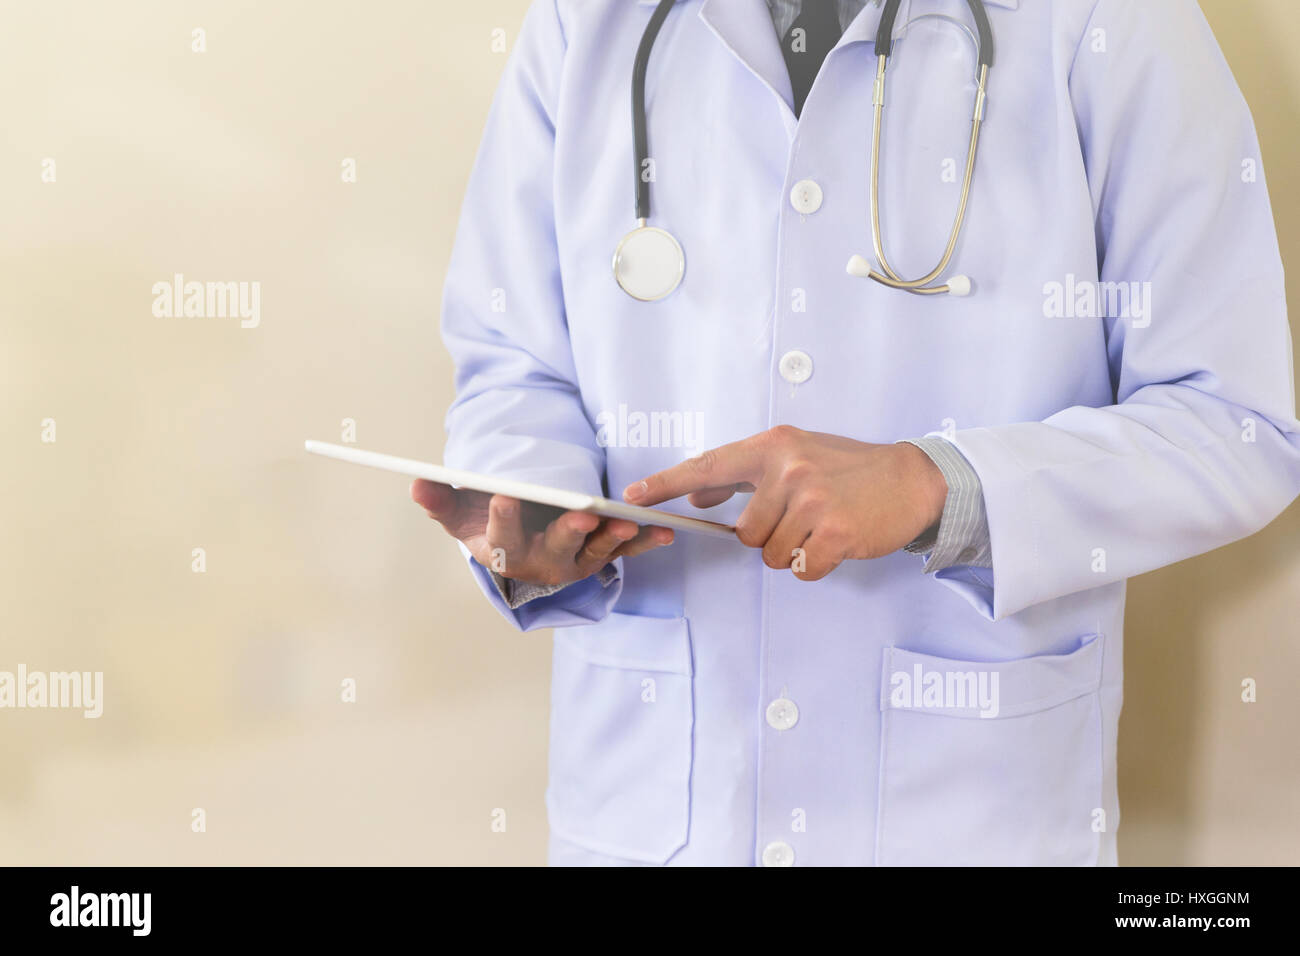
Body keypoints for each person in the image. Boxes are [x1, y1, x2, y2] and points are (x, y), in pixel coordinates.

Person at [412, 0, 1300, 866]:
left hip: (968, 810)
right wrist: (529, 511)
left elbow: (1238, 425)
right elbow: (514, 364)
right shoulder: (585, 20)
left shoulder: (1112, 17)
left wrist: (939, 487)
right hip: (655, 809)